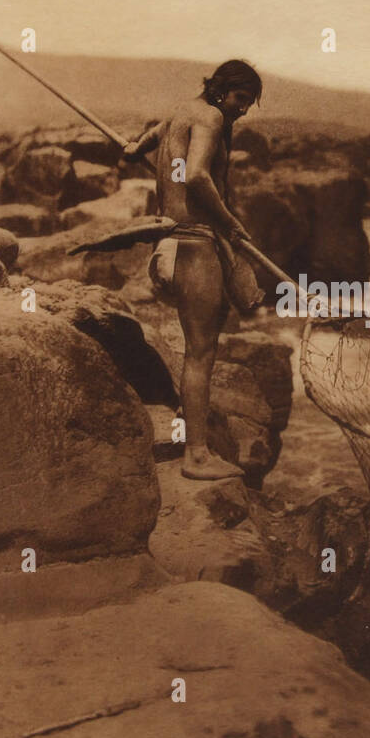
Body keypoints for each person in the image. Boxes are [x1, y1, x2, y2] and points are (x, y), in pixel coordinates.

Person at [123, 60, 264, 480]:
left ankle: (193, 420)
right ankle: (197, 456)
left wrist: (135, 149)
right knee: (201, 353)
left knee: (197, 346)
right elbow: (199, 175)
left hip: (166, 243)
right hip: (195, 244)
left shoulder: (180, 113)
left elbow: (138, 146)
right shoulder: (211, 116)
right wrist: (231, 223)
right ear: (222, 89)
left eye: (248, 104)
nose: (242, 109)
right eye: (240, 98)